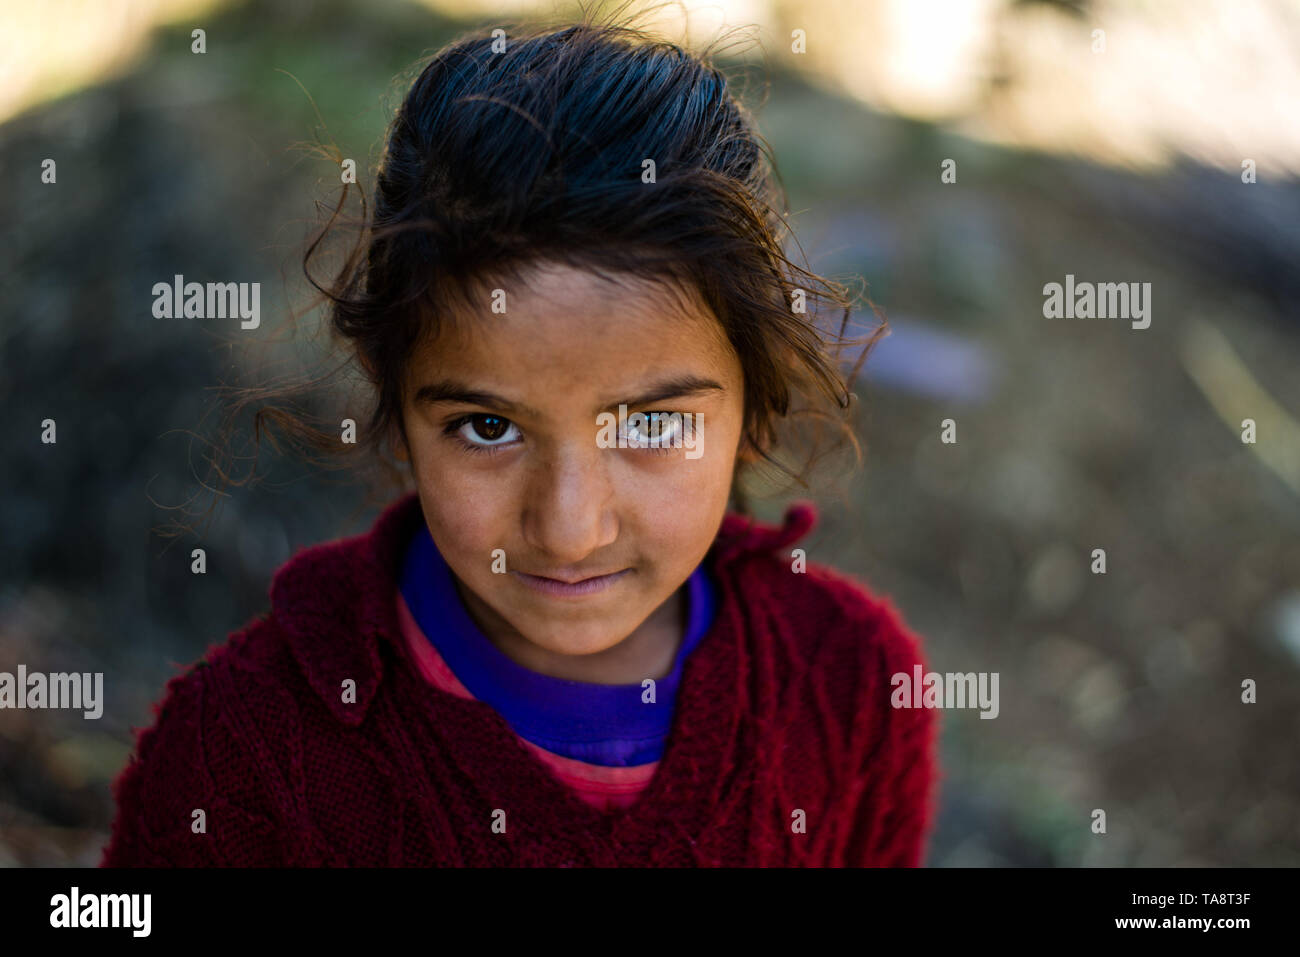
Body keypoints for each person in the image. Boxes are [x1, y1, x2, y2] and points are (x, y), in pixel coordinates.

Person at [101, 7, 938, 867]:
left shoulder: (851, 684)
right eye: (488, 427)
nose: (570, 527)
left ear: (753, 413)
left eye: (652, 422)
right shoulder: (246, 754)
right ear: (397, 415)